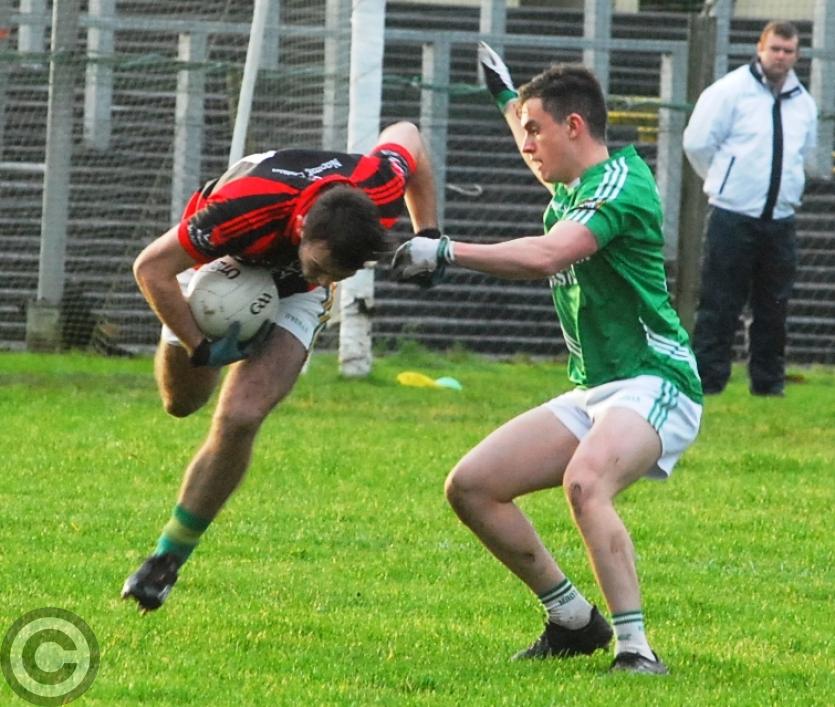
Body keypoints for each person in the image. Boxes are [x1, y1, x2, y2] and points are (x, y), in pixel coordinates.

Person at [392, 44, 703, 675]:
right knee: (473, 487)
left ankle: (637, 651)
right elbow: (530, 126)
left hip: (656, 381)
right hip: (599, 389)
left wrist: (446, 251)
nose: (526, 143)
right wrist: (507, 98)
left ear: (576, 127)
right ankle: (571, 619)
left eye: (536, 131)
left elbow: (547, 256)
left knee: (586, 485)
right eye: (524, 130)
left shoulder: (619, 185)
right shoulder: (572, 177)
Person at [122, 121, 439, 611]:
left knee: (240, 416)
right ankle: (198, 350)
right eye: (321, 266)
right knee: (182, 402)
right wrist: (199, 346)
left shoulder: (378, 184)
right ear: (304, 228)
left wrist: (428, 235)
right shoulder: (244, 210)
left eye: (341, 275)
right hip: (222, 269)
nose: (330, 278)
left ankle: (166, 559)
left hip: (294, 294)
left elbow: (409, 135)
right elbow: (150, 268)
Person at [682, 20, 818, 396]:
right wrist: (725, 183)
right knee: (719, 303)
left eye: (788, 51)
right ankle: (707, 380)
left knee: (773, 307)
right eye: (775, 49)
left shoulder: (803, 103)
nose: (781, 57)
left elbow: (803, 155)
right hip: (733, 216)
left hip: (780, 220)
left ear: (797, 54)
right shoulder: (730, 92)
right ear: (760, 48)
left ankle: (768, 383)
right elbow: (697, 143)